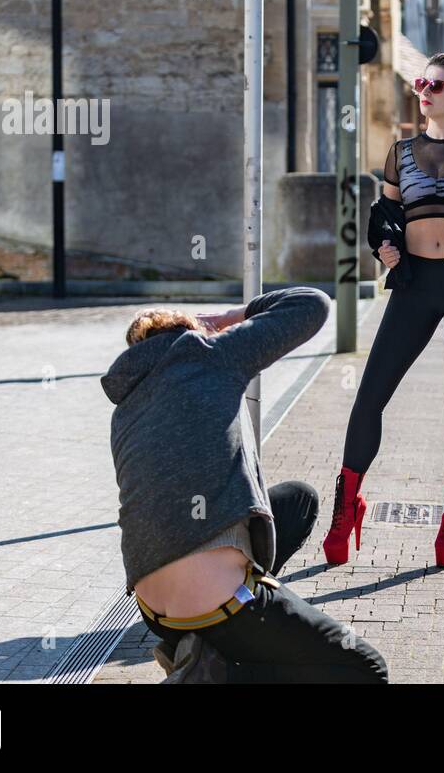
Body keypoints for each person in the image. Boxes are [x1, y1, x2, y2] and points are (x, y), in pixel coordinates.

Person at [101, 292, 388, 683]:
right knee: (364, 668)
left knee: (297, 500)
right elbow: (313, 305)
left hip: (156, 614)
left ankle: (208, 652)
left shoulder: (125, 409)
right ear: (194, 332)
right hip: (218, 603)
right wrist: (232, 318)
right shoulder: (211, 354)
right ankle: (223, 666)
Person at [322, 52, 444, 570]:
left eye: (437, 85)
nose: (424, 90)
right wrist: (384, 248)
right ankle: (344, 507)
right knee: (370, 396)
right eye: (422, 82)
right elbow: (385, 218)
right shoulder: (399, 152)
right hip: (416, 285)